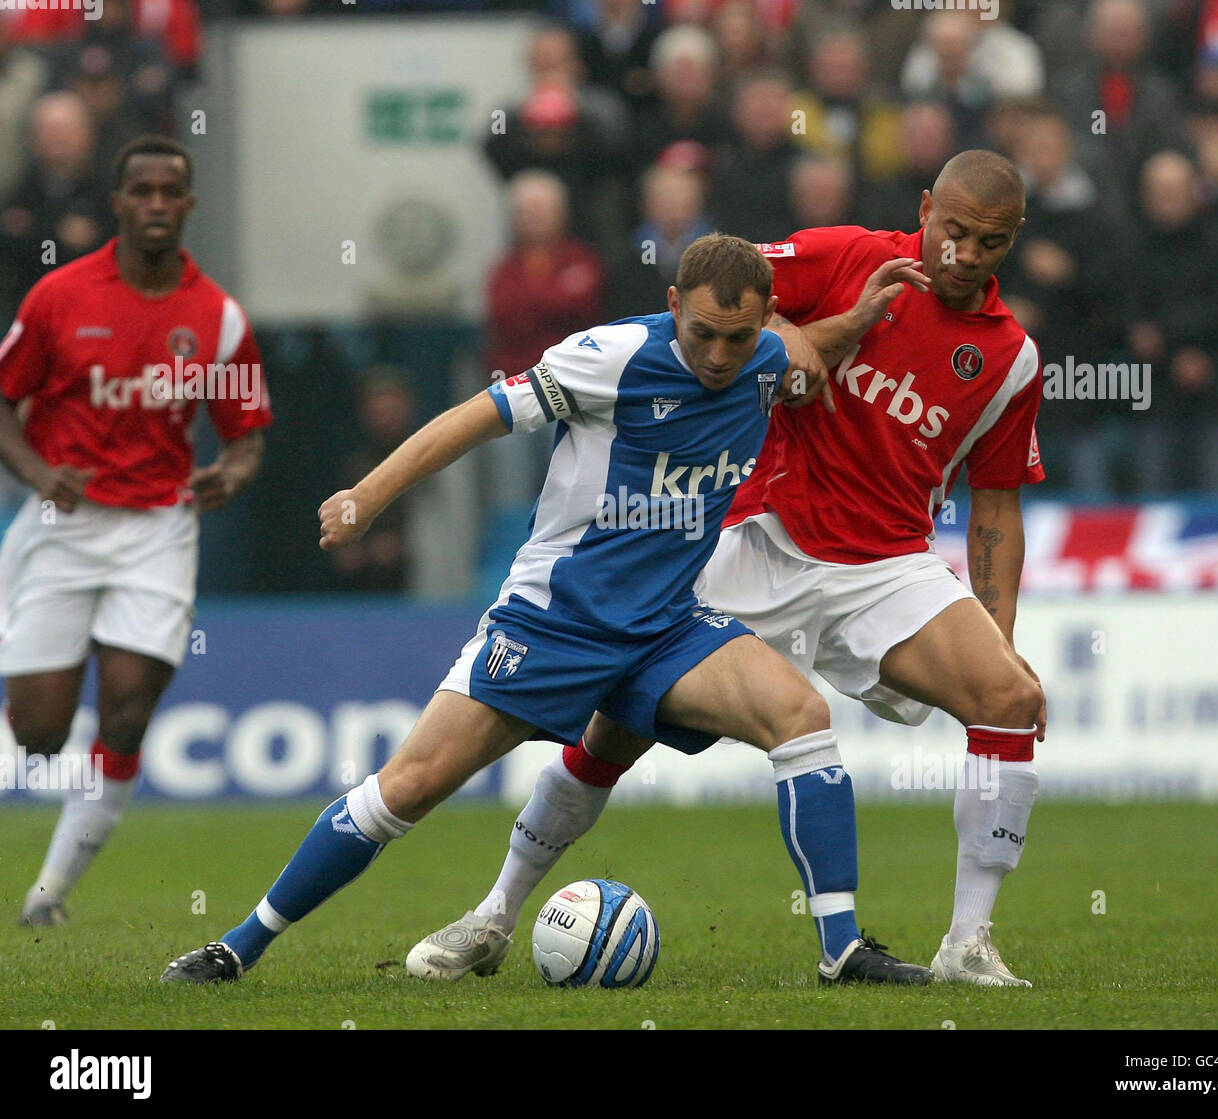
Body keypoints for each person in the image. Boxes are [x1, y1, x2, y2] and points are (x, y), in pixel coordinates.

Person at [160, 234, 934, 987]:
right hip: (553, 622)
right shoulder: (609, 358)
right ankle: (240, 943)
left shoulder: (764, 356)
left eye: (739, 337)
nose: (719, 356)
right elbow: (472, 417)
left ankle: (843, 951)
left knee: (799, 714)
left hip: (666, 624)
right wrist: (369, 495)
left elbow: (801, 355)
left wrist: (851, 324)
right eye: (702, 333)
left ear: (767, 318)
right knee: (410, 786)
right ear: (672, 305)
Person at [421, 150, 1049, 988]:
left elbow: (997, 509)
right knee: (613, 732)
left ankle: (967, 942)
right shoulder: (848, 257)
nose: (965, 255)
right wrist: (790, 333)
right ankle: (493, 913)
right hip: (754, 535)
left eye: (991, 243)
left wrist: (1001, 639)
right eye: (955, 231)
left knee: (1011, 699)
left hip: (886, 565)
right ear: (926, 208)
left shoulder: (1010, 360)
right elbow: (732, 292)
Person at [0, 135, 271, 926]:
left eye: (170, 192)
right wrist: (38, 471)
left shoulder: (218, 319)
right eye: (141, 190)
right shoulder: (57, 298)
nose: (156, 203)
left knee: (125, 710)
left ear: (187, 205)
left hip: (158, 525)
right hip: (62, 520)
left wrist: (235, 471)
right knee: (42, 734)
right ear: (117, 203)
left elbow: (247, 431)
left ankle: (48, 895)